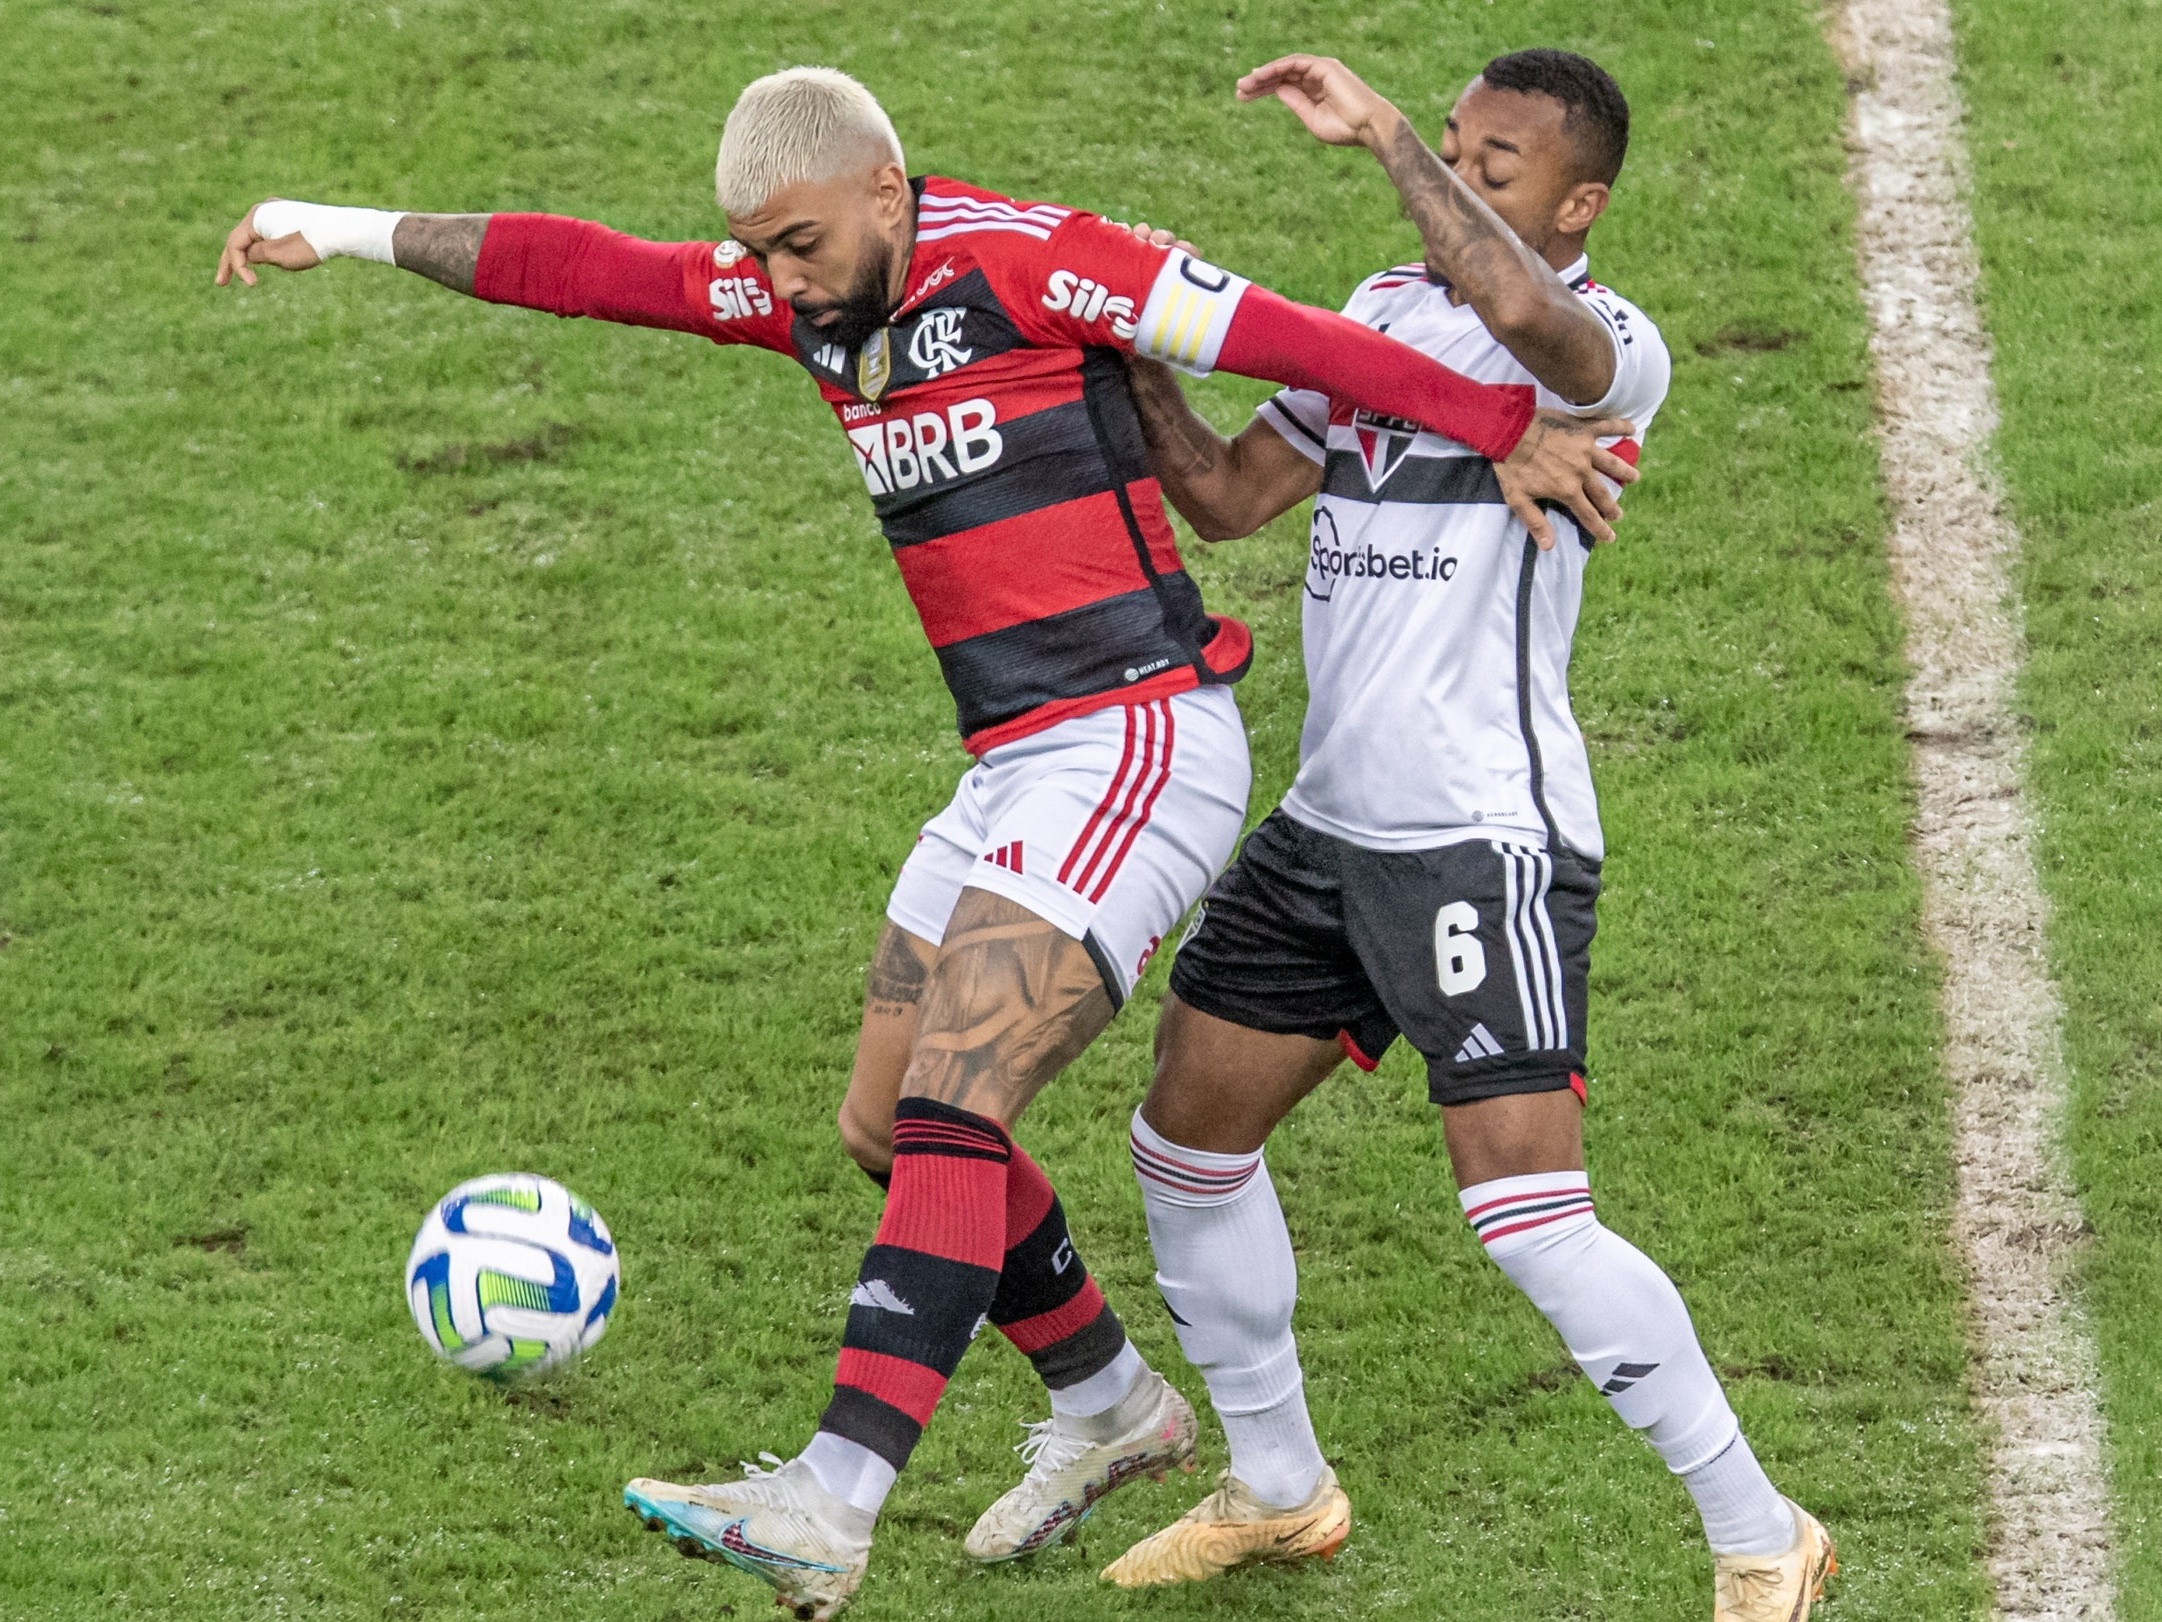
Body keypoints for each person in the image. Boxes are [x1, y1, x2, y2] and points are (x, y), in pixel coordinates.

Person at [215, 65, 1631, 1619]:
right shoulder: (811, 296)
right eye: (757, 253)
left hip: (1136, 739)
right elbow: (589, 270)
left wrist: (1502, 423)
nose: (779, 284)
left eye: (802, 245)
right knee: (891, 1119)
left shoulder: (1038, 261)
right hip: (1010, 766)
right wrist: (333, 228)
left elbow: (1298, 341)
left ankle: (832, 1493)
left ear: (885, 193)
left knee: (964, 1093)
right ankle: (1111, 1405)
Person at [1099, 52, 1835, 1622]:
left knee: (1524, 1212)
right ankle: (1277, 1486)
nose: (1451, 180)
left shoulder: (1604, 356)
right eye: (1447, 149)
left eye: (1489, 167)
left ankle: (1761, 1527)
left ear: (1580, 204)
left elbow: (1516, 319)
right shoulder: (1373, 324)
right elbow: (1230, 496)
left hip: (1478, 838)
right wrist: (1120, 348)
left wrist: (1375, 140)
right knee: (1184, 1137)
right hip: (1328, 825)